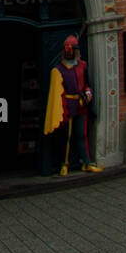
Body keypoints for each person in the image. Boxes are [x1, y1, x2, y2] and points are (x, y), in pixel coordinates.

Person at [44, 34, 103, 175]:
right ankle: (64, 164)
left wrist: (88, 94)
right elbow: (58, 93)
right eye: (67, 50)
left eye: (71, 50)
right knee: (67, 137)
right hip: (68, 106)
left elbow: (87, 84)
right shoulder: (58, 70)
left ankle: (86, 162)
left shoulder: (82, 65)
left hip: (81, 105)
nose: (69, 52)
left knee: (82, 134)